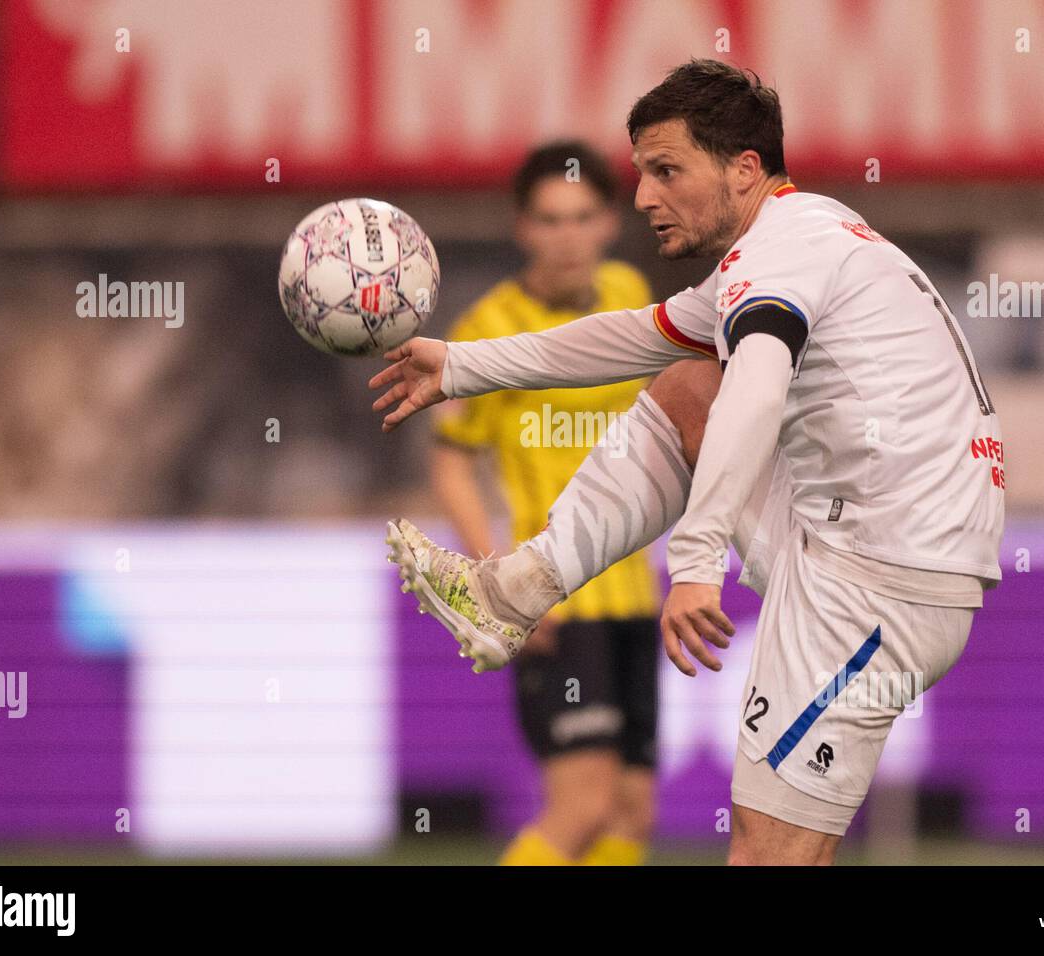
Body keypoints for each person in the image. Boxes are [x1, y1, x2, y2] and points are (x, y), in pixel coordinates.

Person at [373, 59, 1005, 865]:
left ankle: (515, 590)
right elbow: (634, 338)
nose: (642, 197)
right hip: (855, 550)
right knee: (687, 388)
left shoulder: (780, 255)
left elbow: (760, 392)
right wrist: (460, 367)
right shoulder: (786, 243)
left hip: (878, 585)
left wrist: (697, 563)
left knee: (766, 857)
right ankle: (516, 589)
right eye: (641, 173)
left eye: (667, 170)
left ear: (744, 169)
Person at [429, 141, 663, 867]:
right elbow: (451, 463)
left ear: (608, 223)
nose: (568, 236)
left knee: (631, 810)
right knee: (583, 806)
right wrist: (499, 580)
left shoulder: (630, 292)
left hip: (633, 593)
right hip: (558, 601)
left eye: (583, 217)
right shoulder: (487, 330)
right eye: (550, 220)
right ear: (523, 228)